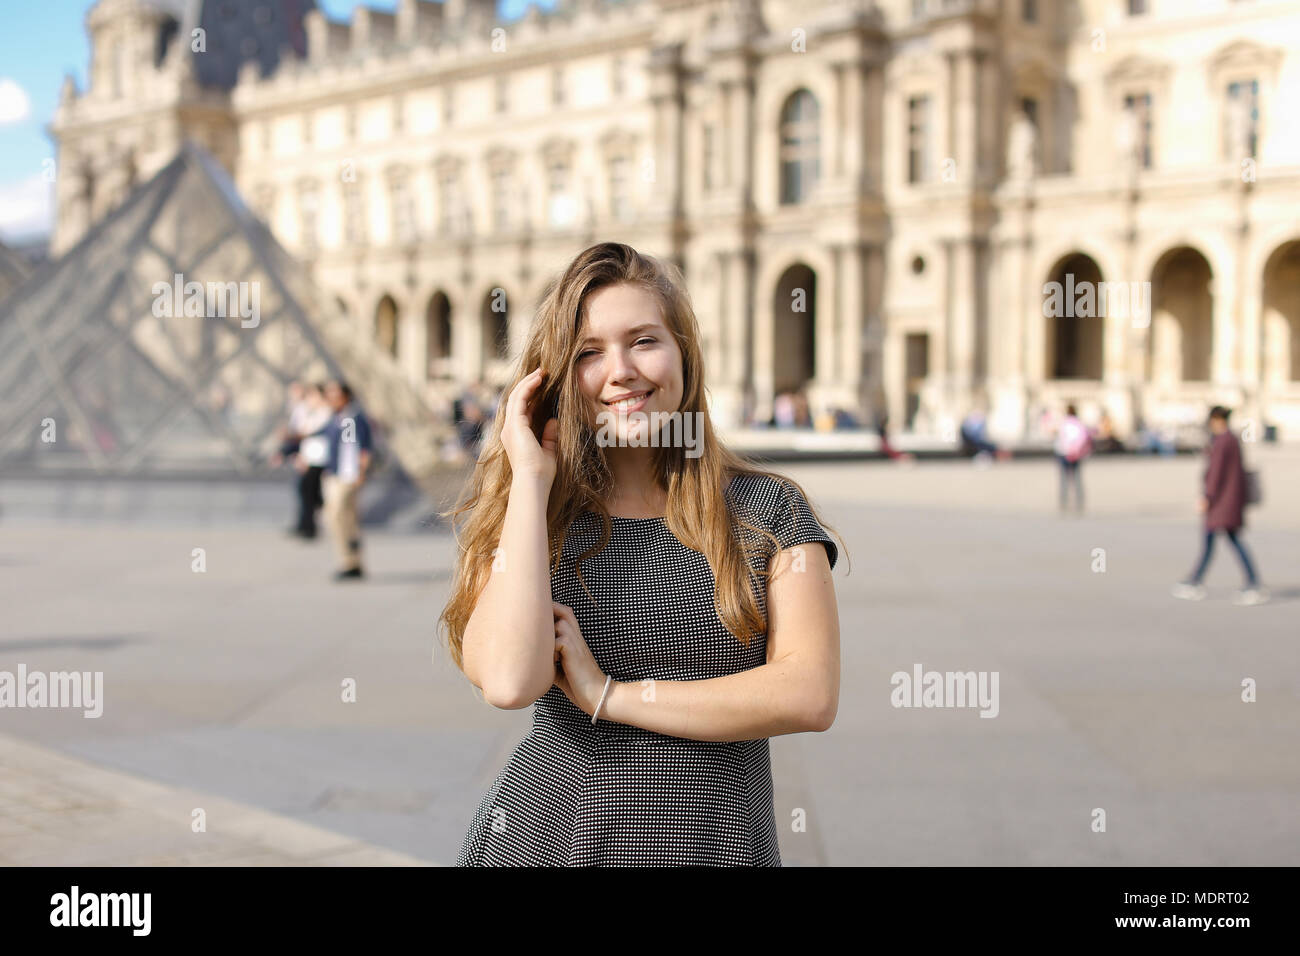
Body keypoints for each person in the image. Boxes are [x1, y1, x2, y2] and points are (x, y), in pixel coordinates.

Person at [440, 242, 845, 866]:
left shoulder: (769, 509)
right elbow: (509, 680)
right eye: (588, 353)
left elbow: (809, 693)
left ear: (684, 351)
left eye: (644, 340)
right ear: (553, 382)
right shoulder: (529, 517)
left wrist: (612, 695)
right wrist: (529, 476)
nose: (622, 370)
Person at [1172, 406, 1268, 605]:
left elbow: (1215, 473)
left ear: (1216, 420)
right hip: (1229, 502)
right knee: (1224, 541)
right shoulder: (1232, 439)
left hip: (1221, 504)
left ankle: (1199, 581)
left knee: (1217, 542)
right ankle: (1198, 580)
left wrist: (1207, 497)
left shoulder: (1222, 441)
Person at [317, 381, 373, 580]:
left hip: (347, 476)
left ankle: (349, 560)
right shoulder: (337, 417)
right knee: (347, 518)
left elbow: (362, 447)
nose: (331, 399)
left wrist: (360, 471)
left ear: (346, 396)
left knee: (336, 514)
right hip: (335, 474)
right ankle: (352, 560)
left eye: (335, 394)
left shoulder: (353, 418)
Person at [291, 383, 332, 539]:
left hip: (323, 460)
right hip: (312, 458)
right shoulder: (310, 412)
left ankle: (310, 525)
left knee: (313, 493)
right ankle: (307, 525)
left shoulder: (332, 414)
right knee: (307, 492)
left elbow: (348, 443)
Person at [1053, 403, 1091, 514]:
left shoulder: (1063, 423)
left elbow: (1060, 438)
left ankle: (1064, 502)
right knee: (1077, 478)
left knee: (1064, 479)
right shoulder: (1079, 424)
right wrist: (1076, 450)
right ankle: (1079, 501)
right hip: (1076, 454)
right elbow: (1083, 438)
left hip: (1063, 453)